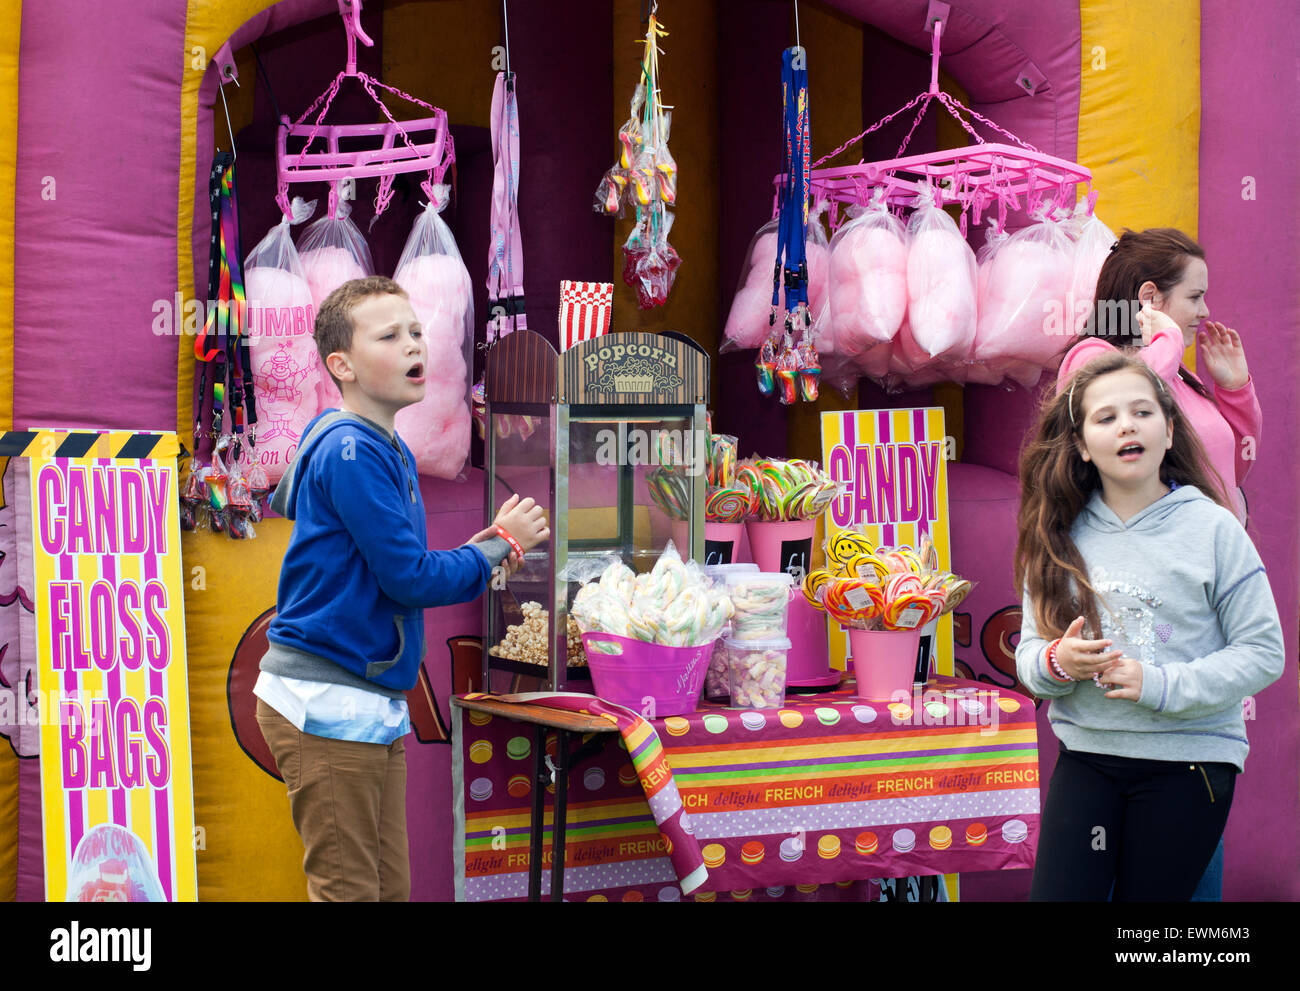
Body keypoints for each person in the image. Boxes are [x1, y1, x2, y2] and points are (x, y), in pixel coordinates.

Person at [253, 276, 549, 901]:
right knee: (350, 892)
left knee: (389, 890)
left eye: (416, 331)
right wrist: (499, 544)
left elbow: (292, 501)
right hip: (326, 701)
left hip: (362, 701)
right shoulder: (349, 451)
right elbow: (408, 577)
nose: (415, 345)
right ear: (343, 365)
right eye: (390, 336)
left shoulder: (362, 443)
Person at [1014, 351, 1283, 901]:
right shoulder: (1057, 534)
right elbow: (1030, 656)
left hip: (1188, 766)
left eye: (1142, 412)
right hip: (1087, 761)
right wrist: (1057, 663)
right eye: (1105, 417)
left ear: (1167, 431)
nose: (1127, 425)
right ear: (1083, 446)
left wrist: (1158, 686)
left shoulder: (1214, 528)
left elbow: (1262, 652)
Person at [1058, 228, 1260, 523]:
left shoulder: (1177, 373)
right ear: (1150, 297)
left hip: (1213, 555)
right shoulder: (1089, 357)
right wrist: (1170, 337)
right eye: (1195, 296)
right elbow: (1129, 395)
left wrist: (1235, 391)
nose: (1204, 311)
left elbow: (1230, 471)